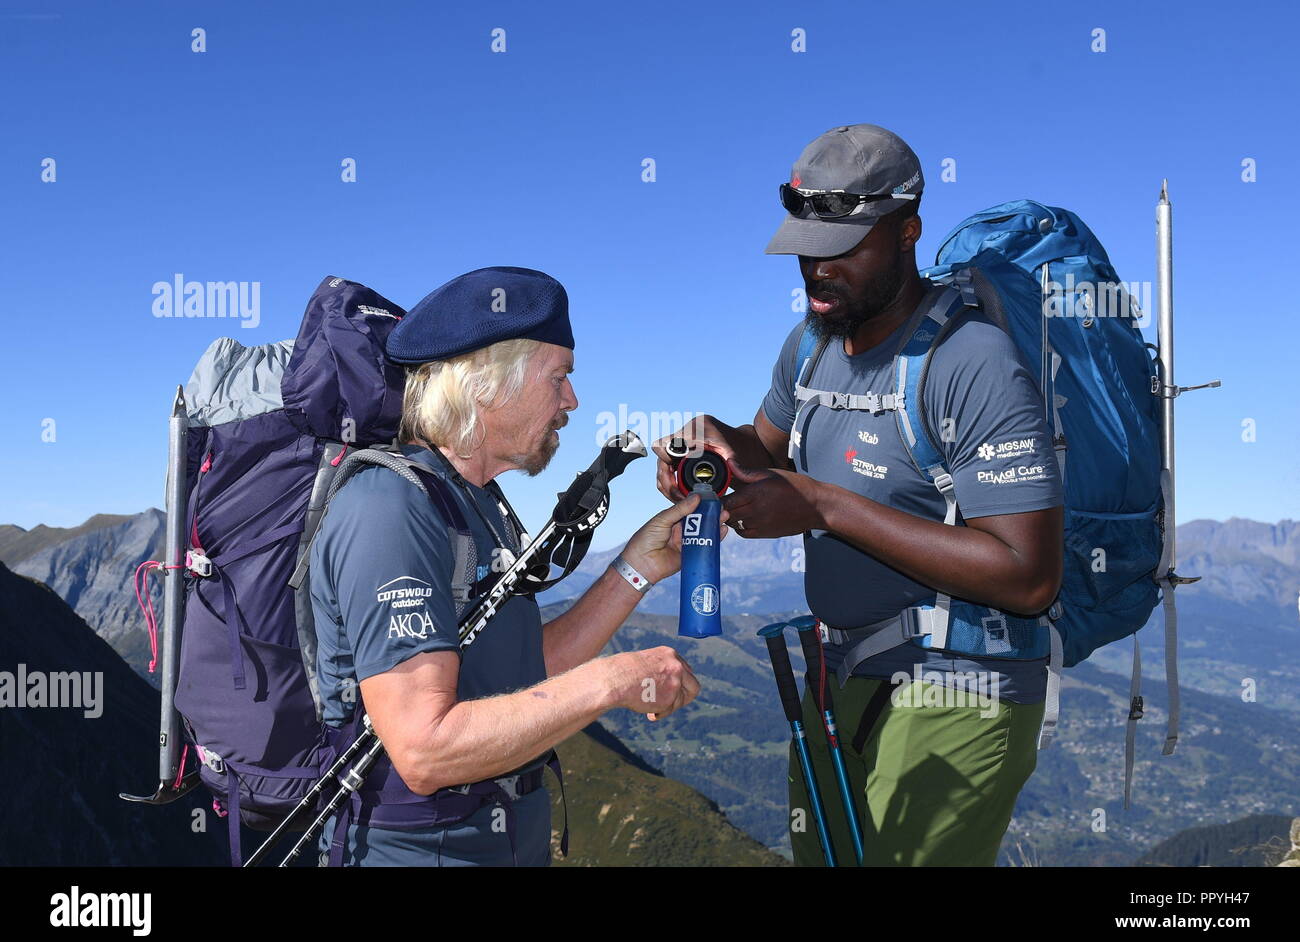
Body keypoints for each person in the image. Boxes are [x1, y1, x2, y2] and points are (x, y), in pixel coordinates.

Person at [653, 125, 1064, 866]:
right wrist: (717, 444)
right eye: (808, 248)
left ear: (908, 231)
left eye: (842, 246)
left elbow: (1030, 578)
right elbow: (765, 453)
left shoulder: (970, 362)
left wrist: (822, 506)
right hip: (837, 674)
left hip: (959, 685)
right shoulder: (809, 345)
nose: (818, 269)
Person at [310, 266, 722, 866]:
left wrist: (636, 568)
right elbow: (424, 750)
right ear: (487, 382)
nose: (573, 401)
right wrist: (611, 682)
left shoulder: (475, 502)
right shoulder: (389, 509)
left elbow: (522, 669)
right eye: (559, 378)